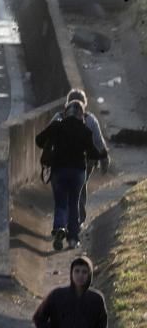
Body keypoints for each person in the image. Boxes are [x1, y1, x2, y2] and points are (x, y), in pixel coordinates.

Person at [36, 100, 103, 250]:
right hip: (78, 172)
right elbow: (94, 153)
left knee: (60, 202)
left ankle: (60, 227)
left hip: (59, 171)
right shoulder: (85, 131)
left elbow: (39, 140)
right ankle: (73, 238)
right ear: (81, 114)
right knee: (74, 203)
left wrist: (51, 143)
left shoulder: (57, 126)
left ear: (65, 112)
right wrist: (100, 154)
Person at [54, 89, 109, 230]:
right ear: (84, 104)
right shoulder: (90, 119)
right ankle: (78, 220)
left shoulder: (59, 117)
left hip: (61, 162)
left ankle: (64, 222)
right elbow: (98, 141)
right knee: (80, 188)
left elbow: (49, 137)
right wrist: (104, 160)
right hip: (83, 162)